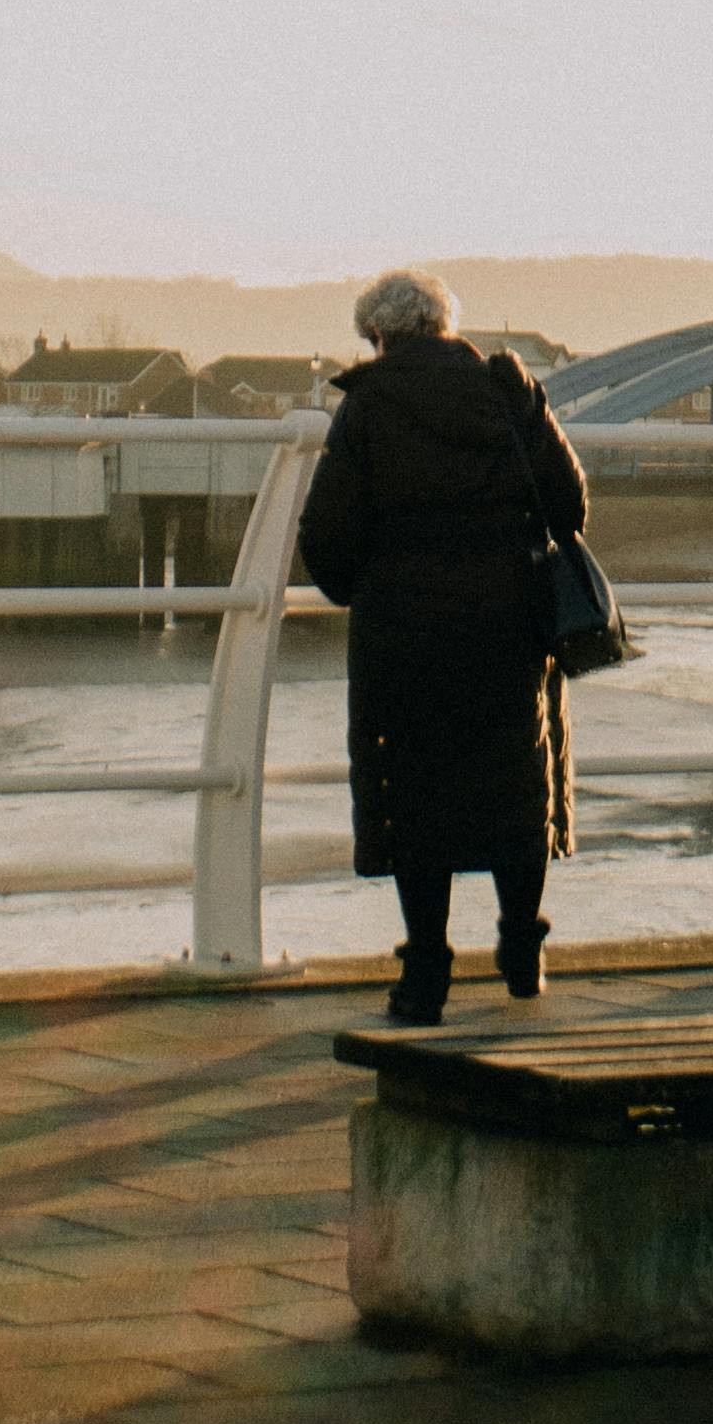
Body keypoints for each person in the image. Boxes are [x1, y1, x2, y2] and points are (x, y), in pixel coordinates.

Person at [296, 268, 586, 1022]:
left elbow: (326, 543)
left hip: (405, 634)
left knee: (415, 792)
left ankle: (426, 970)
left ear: (382, 336)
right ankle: (522, 945)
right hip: (508, 626)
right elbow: (570, 503)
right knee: (513, 784)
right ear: (447, 326)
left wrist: (375, 582)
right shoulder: (507, 388)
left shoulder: (367, 408)